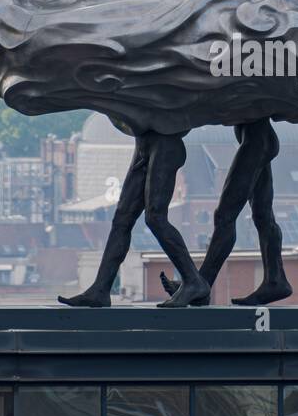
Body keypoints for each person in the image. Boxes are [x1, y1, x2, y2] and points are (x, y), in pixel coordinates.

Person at [58, 122, 208, 308]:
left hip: (165, 145)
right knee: (121, 219)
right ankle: (100, 290)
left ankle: (193, 281)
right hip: (143, 145)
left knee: (155, 218)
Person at [160, 118, 292, 306]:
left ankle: (201, 285)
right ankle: (275, 279)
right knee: (262, 214)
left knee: (225, 216)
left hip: (255, 144)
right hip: (259, 140)